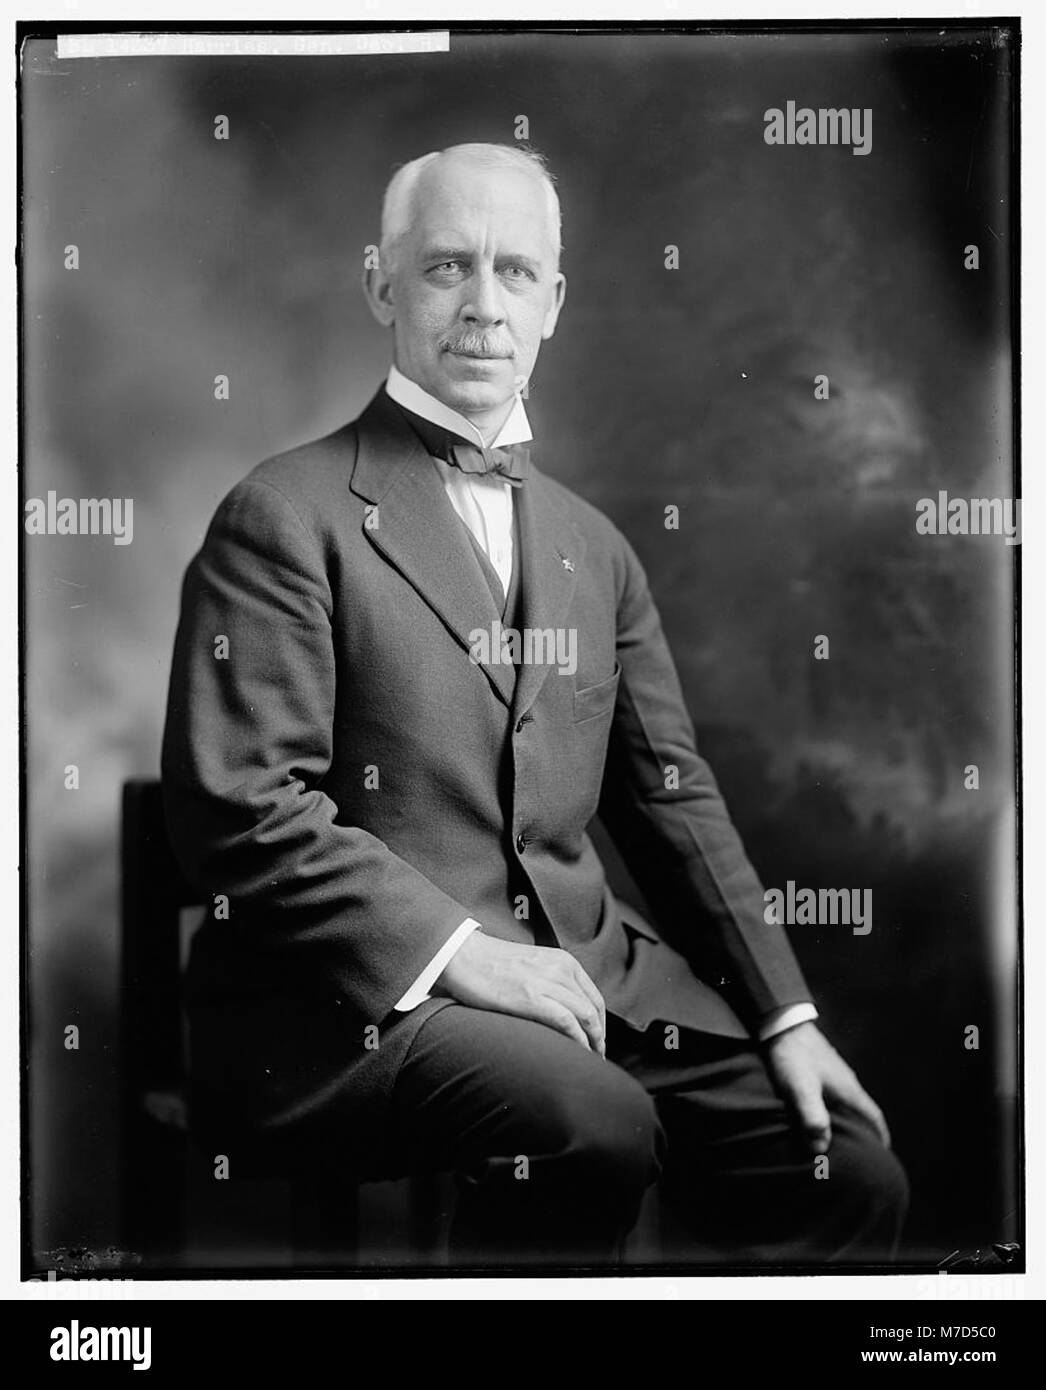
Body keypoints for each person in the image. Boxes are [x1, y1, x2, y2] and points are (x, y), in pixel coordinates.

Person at [161, 141, 907, 1267]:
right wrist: (461, 951)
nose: (481, 304)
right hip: (348, 1008)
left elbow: (672, 798)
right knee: (588, 1122)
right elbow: (242, 805)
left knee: (845, 1167)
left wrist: (782, 1014)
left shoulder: (593, 548)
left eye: (514, 272)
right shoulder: (279, 514)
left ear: (552, 302)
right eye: (444, 266)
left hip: (585, 975)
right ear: (379, 285)